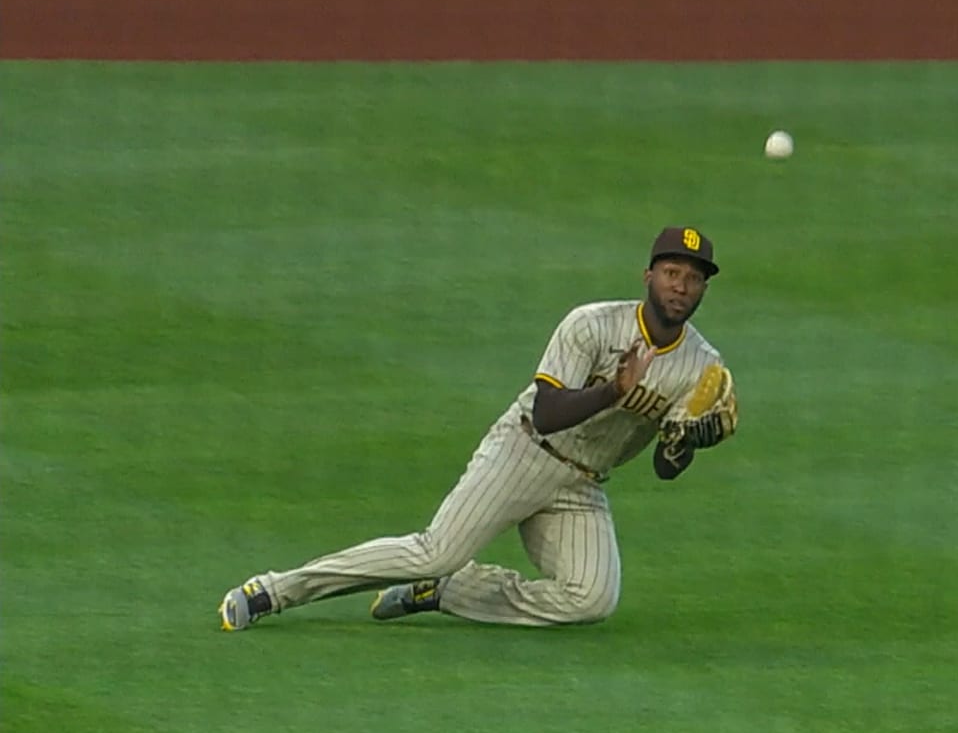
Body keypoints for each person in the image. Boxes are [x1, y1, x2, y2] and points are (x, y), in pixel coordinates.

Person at [218, 226, 736, 631]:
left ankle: (450, 592)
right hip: (525, 451)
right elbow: (546, 413)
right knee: (435, 550)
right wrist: (612, 392)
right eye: (672, 272)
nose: (681, 286)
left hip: (583, 484)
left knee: (591, 599)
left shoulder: (699, 365)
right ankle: (276, 590)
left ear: (704, 289)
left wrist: (688, 441)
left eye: (693, 279)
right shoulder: (593, 325)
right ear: (647, 275)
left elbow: (666, 468)